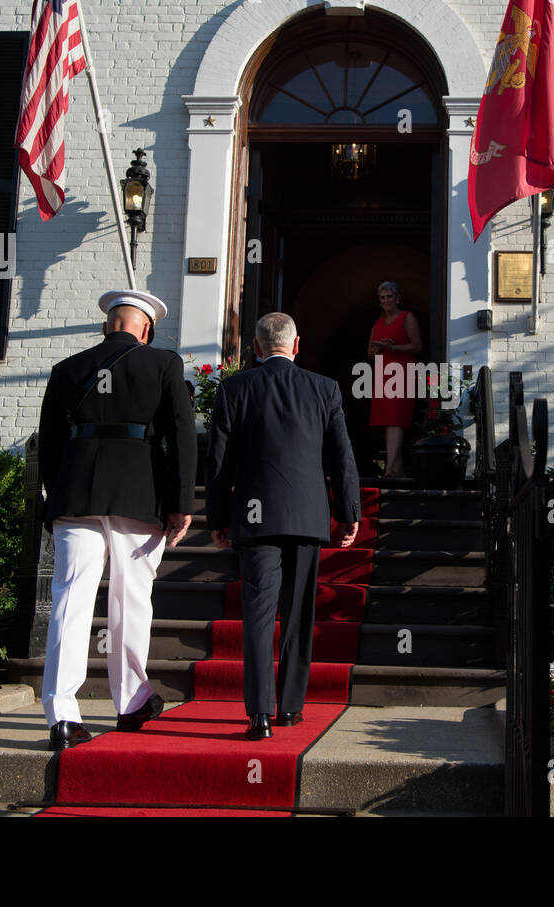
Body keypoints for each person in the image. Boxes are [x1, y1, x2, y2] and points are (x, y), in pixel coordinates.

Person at [36, 289, 196, 750]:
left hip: (76, 494)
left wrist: (58, 493)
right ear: (145, 329)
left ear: (107, 325)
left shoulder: (67, 369)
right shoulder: (163, 364)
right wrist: (181, 501)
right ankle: (129, 702)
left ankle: (62, 715)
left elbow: (50, 443)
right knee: (130, 601)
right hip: (138, 494)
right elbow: (181, 437)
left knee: (70, 601)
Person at [204, 312, 360, 740]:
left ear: (255, 347)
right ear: (295, 346)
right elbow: (340, 457)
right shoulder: (324, 389)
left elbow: (218, 463)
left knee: (256, 616)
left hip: (254, 516)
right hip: (307, 515)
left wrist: (217, 518)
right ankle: (290, 708)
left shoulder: (235, 387)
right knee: (297, 616)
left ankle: (259, 715)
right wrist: (349, 513)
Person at [367, 281, 422, 478]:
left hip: (402, 372)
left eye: (389, 296)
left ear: (397, 298)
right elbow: (370, 354)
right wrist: (379, 347)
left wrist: (393, 348)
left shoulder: (407, 317)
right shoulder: (378, 323)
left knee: (396, 420)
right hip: (383, 374)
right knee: (386, 421)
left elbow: (417, 346)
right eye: (382, 297)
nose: (386, 300)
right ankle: (397, 469)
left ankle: (389, 469)